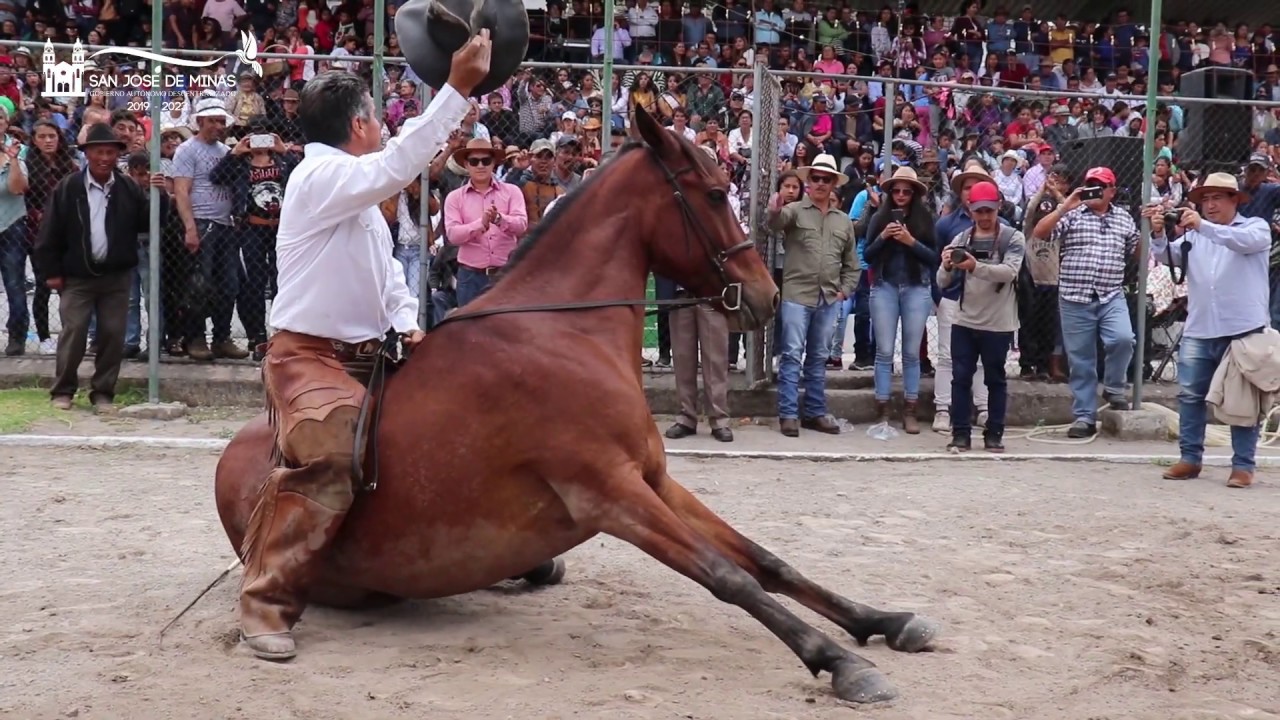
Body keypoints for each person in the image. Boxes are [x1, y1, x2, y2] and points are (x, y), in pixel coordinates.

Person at [237, 34, 493, 662]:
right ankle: (265, 602)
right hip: (306, 358)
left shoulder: (354, 199)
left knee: (461, 422)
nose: (383, 124)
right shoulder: (319, 176)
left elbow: (390, 281)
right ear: (358, 123)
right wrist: (456, 89)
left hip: (371, 350)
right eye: (378, 114)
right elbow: (398, 164)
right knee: (332, 451)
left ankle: (501, 549)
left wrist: (408, 322)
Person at [1144, 173, 1272, 489]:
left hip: (1243, 328)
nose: (1210, 205)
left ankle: (1243, 465)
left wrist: (1201, 225)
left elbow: (1238, 242)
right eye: (1205, 199)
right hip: (1201, 327)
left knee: (1243, 401)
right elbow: (1165, 255)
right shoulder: (1195, 235)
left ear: (1234, 200)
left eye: (1217, 198)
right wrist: (1158, 232)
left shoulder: (1256, 228)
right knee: (1190, 396)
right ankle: (1190, 459)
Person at [33, 124, 148, 411]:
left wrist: (158, 196)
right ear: (87, 154)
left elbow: (146, 224)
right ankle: (63, 390)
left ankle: (103, 392)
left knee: (113, 334)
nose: (105, 157)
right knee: (74, 332)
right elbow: (50, 232)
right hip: (77, 276)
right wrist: (52, 272)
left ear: (117, 155)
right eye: (99, 152)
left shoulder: (128, 188)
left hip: (116, 276)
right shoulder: (68, 187)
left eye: (110, 152)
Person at [1032, 166, 1138, 439]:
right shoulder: (1073, 214)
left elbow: (1137, 251)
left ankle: (1114, 388)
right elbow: (1039, 233)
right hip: (1074, 297)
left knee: (1123, 340)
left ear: (1111, 191)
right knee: (1081, 361)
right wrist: (1063, 207)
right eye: (1090, 184)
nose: (1094, 190)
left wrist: (1156, 230)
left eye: (1100, 185)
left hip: (1110, 294)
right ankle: (1084, 416)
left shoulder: (1124, 218)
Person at [767, 153, 859, 437]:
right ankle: (789, 414)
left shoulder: (843, 221)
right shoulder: (794, 211)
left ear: (833, 183)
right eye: (815, 178)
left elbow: (852, 262)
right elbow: (774, 223)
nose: (819, 183)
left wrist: (844, 290)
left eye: (825, 179)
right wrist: (773, 209)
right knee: (792, 355)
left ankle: (814, 412)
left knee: (818, 357)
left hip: (829, 297)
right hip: (797, 294)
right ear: (808, 182)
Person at [937, 181, 1025, 453]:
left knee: (995, 378)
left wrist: (975, 266)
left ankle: (994, 433)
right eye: (979, 211)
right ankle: (960, 433)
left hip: (999, 322)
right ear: (970, 210)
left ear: (999, 206)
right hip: (965, 319)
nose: (984, 216)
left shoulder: (1012, 238)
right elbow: (942, 281)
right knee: (960, 378)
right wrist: (947, 263)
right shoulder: (961, 239)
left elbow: (1009, 272)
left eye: (989, 210)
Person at [862, 166, 939, 434]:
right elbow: (868, 256)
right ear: (890, 193)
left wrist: (910, 241)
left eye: (907, 191)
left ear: (914, 194)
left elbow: (934, 257)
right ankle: (882, 409)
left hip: (917, 287)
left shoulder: (925, 219)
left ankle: (910, 409)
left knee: (910, 353)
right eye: (897, 190)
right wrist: (884, 236)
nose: (901, 195)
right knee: (883, 352)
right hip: (884, 286)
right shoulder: (879, 218)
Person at [444, 137, 529, 307]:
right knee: (468, 330)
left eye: (486, 160)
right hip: (470, 276)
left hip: (505, 274)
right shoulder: (454, 198)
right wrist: (480, 225)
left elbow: (521, 225)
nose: (480, 165)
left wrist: (499, 219)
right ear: (466, 165)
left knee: (506, 329)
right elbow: (453, 235)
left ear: (494, 163)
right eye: (474, 161)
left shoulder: (513, 192)